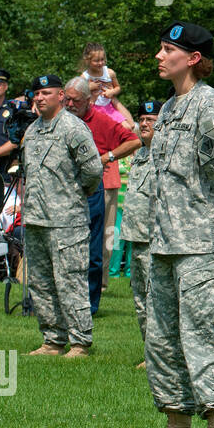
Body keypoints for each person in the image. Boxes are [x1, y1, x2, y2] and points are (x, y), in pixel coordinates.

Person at [143, 22, 214, 428]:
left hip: (206, 243)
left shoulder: (209, 105)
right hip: (167, 242)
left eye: (168, 50)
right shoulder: (169, 108)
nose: (159, 56)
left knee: (205, 333)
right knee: (162, 338)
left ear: (193, 58)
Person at [20, 74, 103, 358]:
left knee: (70, 282)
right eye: (36, 93)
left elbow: (93, 170)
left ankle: (80, 342)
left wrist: (74, 195)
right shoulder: (32, 130)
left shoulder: (73, 127)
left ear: (60, 97)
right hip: (36, 219)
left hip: (67, 221)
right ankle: (52, 340)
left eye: (46, 93)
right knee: (41, 283)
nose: (39, 98)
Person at [64, 76, 140, 314]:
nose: (70, 105)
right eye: (67, 100)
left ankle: (91, 304)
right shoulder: (61, 120)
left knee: (94, 248)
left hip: (93, 188)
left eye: (76, 101)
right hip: (64, 190)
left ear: (88, 100)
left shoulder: (101, 120)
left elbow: (133, 141)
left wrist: (106, 157)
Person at [118, 100, 159, 366]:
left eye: (150, 120)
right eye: (142, 119)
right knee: (141, 300)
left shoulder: (165, 156)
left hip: (155, 240)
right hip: (136, 237)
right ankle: (149, 352)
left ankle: (159, 354)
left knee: (156, 300)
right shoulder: (141, 154)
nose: (144, 124)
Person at [80, 42, 135, 127]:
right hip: (94, 108)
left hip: (109, 107)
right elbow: (79, 94)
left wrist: (112, 92)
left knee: (127, 128)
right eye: (96, 61)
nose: (100, 63)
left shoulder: (109, 73)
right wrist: (88, 87)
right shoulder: (84, 77)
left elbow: (118, 87)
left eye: (102, 59)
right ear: (87, 60)